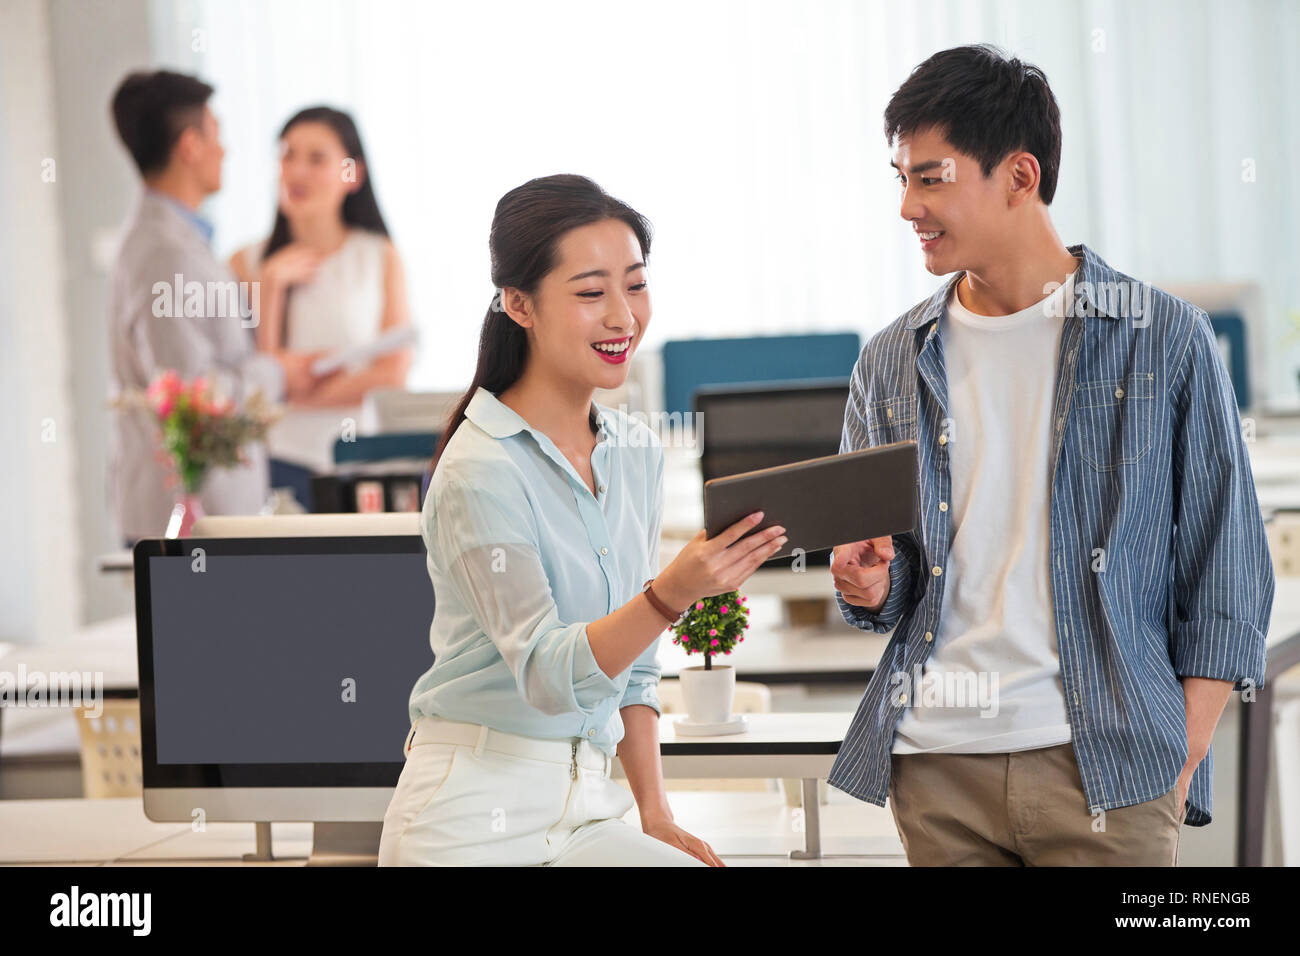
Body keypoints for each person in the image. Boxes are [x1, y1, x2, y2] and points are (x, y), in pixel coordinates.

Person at [827, 44, 1273, 865]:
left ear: (1020, 176)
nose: (906, 206)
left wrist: (1184, 746)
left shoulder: (1162, 339)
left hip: (1105, 765)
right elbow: (888, 592)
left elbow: (1228, 565)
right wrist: (869, 581)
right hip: (937, 766)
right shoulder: (890, 361)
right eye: (900, 178)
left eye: (931, 178)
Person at [377, 174, 788, 866]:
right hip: (470, 814)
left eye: (635, 285)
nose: (623, 317)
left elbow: (632, 671)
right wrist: (670, 594)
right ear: (519, 304)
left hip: (589, 810)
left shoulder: (635, 455)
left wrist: (655, 813)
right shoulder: (480, 468)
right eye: (592, 293)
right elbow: (546, 673)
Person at [107, 70, 319, 544]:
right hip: (189, 517)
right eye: (216, 133)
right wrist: (278, 372)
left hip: (207, 510)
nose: (224, 149)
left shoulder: (179, 241)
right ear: (190, 146)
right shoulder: (163, 251)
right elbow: (192, 393)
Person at [231, 106, 412, 509]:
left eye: (316, 158)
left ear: (352, 175)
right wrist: (271, 287)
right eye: (288, 155)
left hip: (355, 462)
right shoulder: (245, 263)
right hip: (275, 462)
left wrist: (291, 391)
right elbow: (250, 375)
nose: (297, 171)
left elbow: (393, 370)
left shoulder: (379, 256)